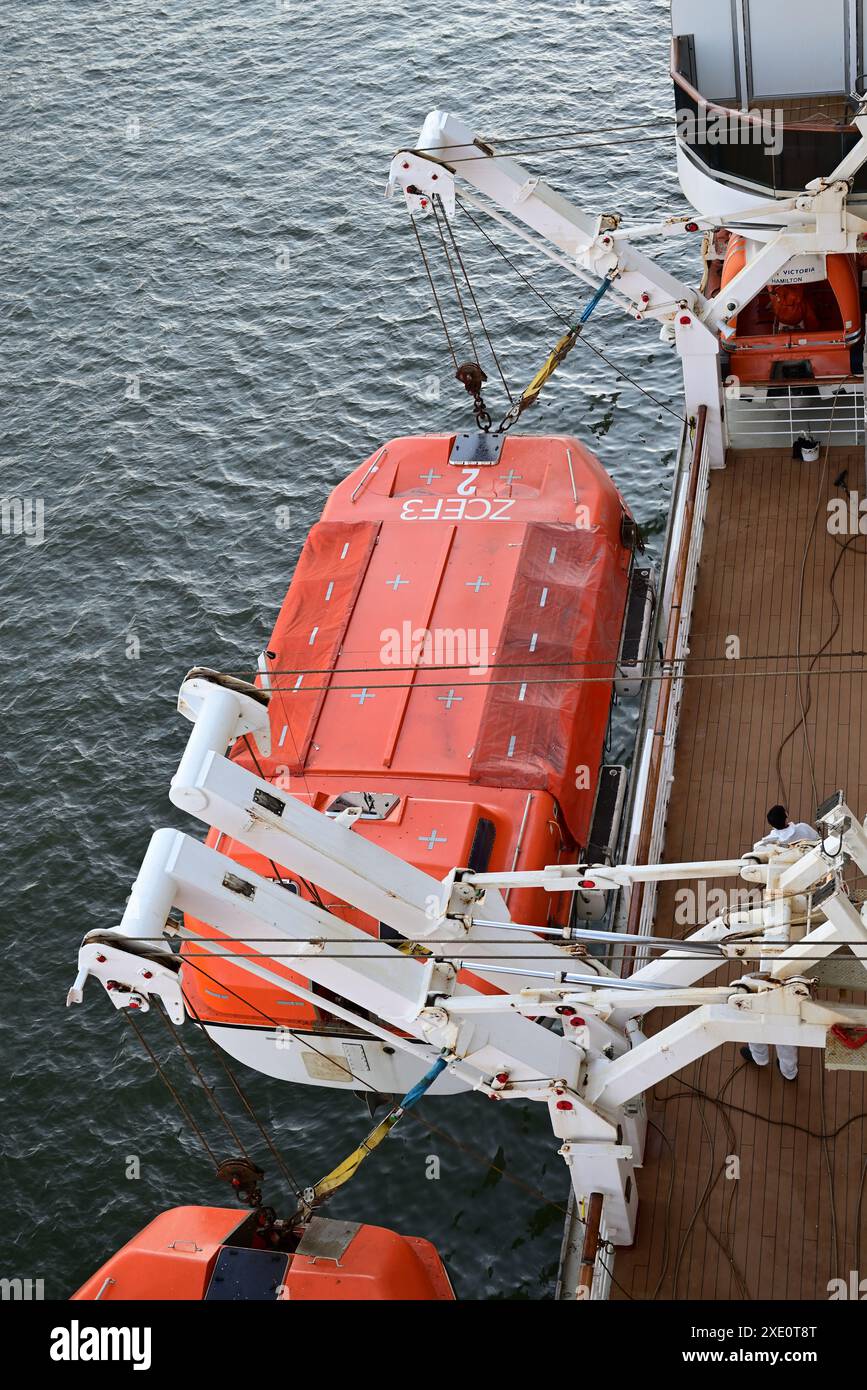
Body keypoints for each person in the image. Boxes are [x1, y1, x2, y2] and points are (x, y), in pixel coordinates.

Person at [740, 806, 820, 1081]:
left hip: (777, 904)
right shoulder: (804, 832)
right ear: (787, 817)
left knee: (759, 1015)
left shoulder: (767, 843)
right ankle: (789, 1072)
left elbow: (755, 854)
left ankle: (759, 1057)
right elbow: (817, 845)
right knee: (783, 1024)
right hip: (801, 897)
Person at [753, 805, 821, 850]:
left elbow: (756, 847)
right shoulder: (803, 828)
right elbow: (819, 841)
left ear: (772, 825)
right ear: (786, 817)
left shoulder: (769, 842)